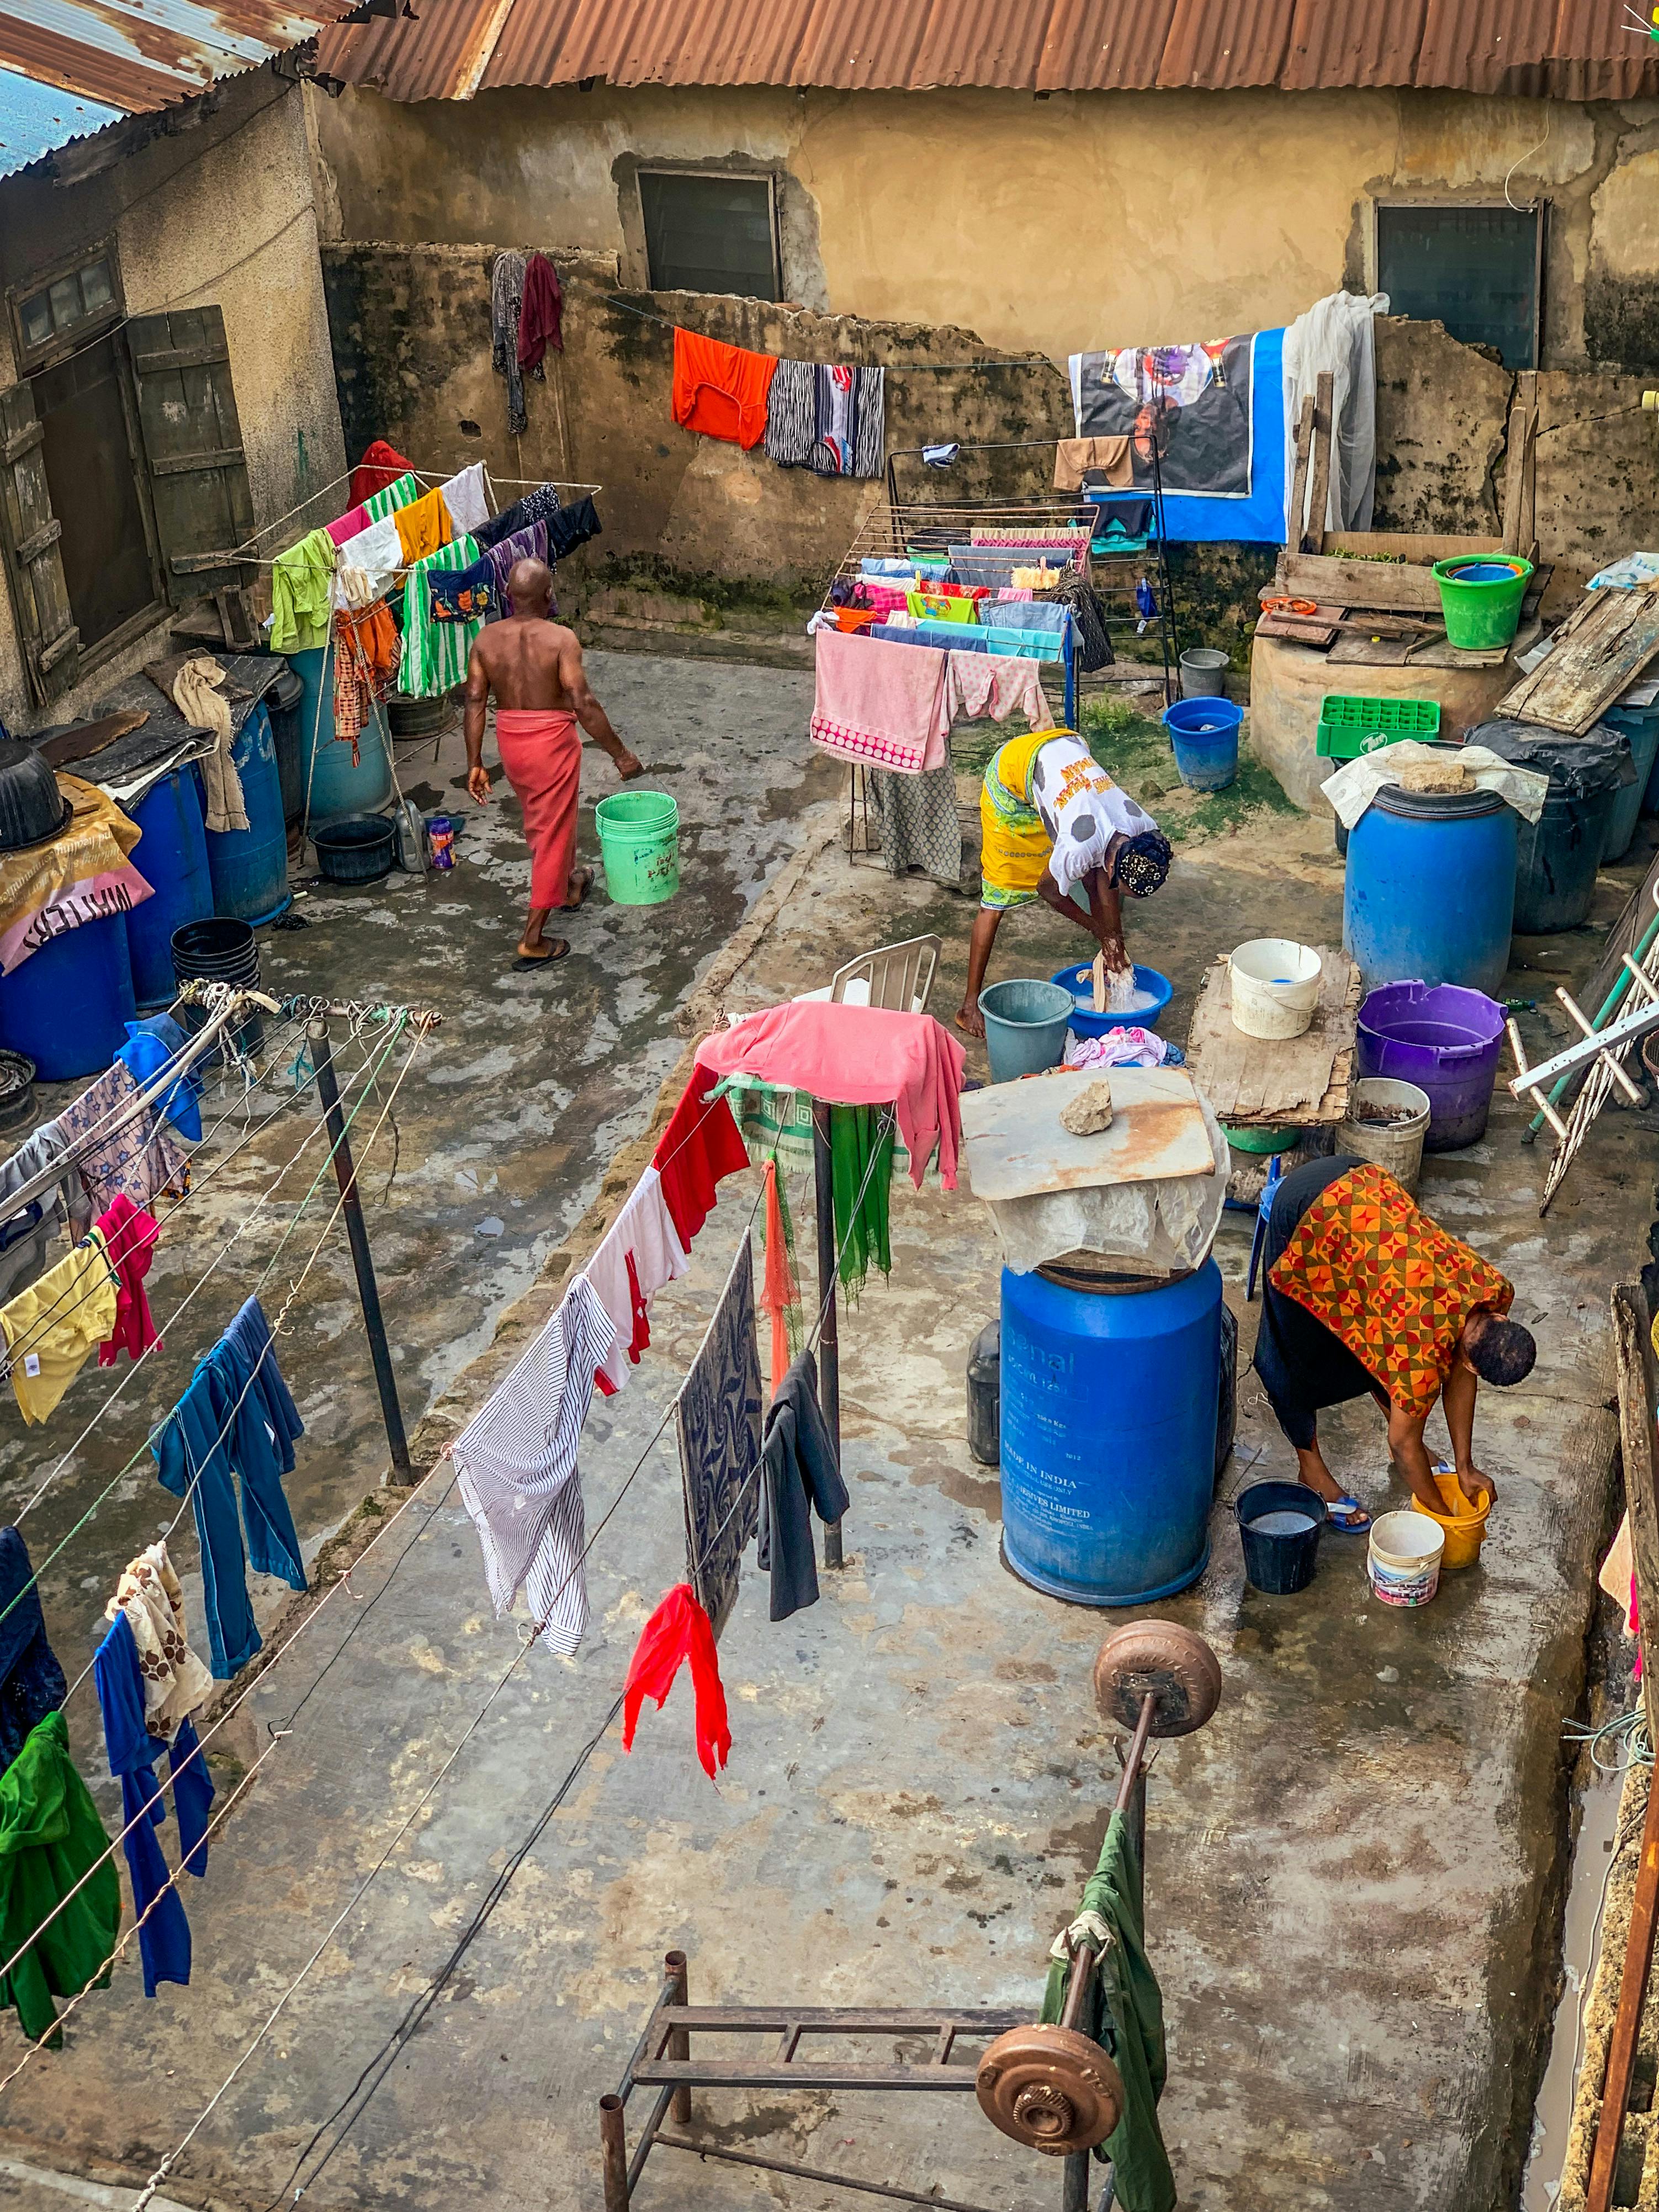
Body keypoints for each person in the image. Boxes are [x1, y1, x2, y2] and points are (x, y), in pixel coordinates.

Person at [1253, 1155, 1536, 1532]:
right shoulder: (1422, 1354)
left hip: (1359, 1190)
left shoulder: (1488, 1287)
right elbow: (1404, 1444)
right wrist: (1442, 1515)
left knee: (1377, 1343)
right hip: (1306, 1210)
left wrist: (1464, 1465)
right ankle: (1311, 1468)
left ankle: (1400, 1424)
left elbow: (1457, 1375)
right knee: (1294, 1354)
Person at [464, 559, 643, 967]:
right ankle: (532, 938)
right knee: (553, 834)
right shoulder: (562, 639)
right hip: (551, 745)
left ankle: (568, 886)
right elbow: (583, 702)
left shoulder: (486, 639)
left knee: (545, 821)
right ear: (549, 596)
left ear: (508, 597)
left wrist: (475, 762)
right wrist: (621, 754)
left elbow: (474, 700)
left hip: (512, 742)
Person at [956, 726, 1172, 1040]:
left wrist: (1114, 942)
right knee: (998, 894)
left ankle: (1109, 942)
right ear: (1114, 863)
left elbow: (1104, 881)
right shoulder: (1078, 847)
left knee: (1092, 874)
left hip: (1059, 756)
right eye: (1120, 884)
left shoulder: (1142, 829)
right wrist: (1097, 929)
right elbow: (1047, 890)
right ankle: (969, 1006)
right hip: (1011, 777)